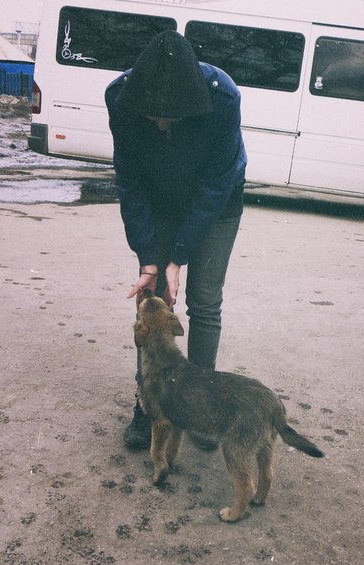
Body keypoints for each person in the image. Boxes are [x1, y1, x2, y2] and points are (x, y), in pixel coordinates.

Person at [105, 30, 246, 450]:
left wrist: (179, 256)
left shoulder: (223, 99)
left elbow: (214, 186)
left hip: (216, 201)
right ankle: (148, 405)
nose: (162, 125)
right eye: (154, 116)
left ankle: (200, 407)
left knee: (204, 300)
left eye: (173, 117)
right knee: (153, 298)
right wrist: (150, 259)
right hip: (157, 197)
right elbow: (129, 182)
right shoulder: (120, 98)